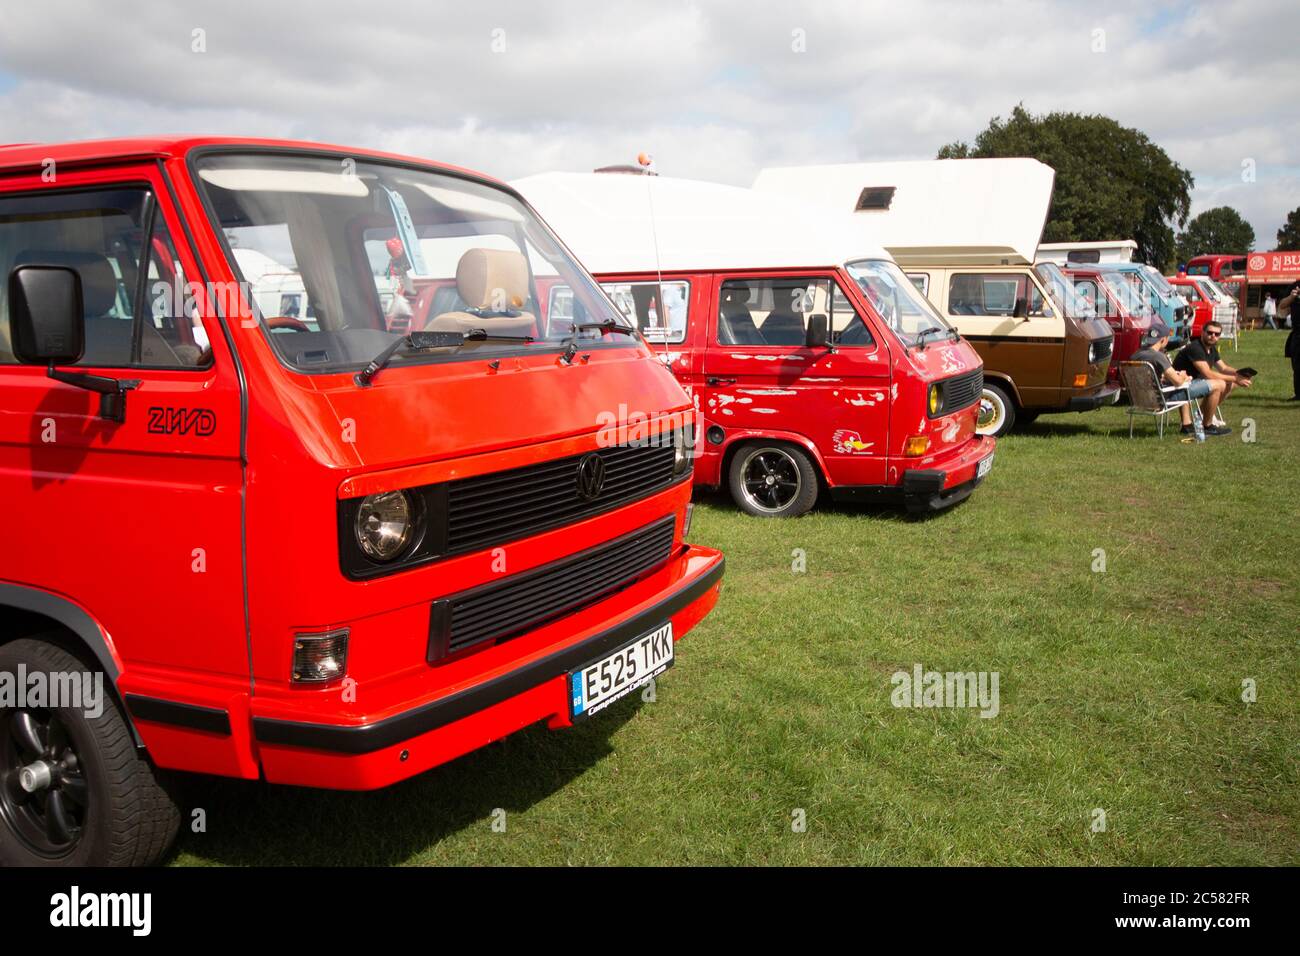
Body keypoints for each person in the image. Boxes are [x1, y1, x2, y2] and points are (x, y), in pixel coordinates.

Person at [1131, 321, 1228, 436]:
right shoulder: (1158, 357)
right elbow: (1177, 382)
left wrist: (1163, 379)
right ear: (1163, 339)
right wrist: (1183, 377)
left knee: (1182, 384)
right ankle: (1207, 425)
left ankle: (1187, 425)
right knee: (1219, 384)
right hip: (1161, 400)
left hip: (1139, 399)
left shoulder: (1136, 354)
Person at [1172, 320, 1252, 428]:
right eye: (1209, 333)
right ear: (1202, 332)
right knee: (1221, 384)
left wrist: (1240, 373)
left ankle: (1202, 414)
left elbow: (1223, 368)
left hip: (1194, 382)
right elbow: (1208, 374)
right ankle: (1205, 419)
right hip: (1181, 386)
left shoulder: (1211, 349)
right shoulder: (1195, 348)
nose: (1212, 336)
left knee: (1230, 384)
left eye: (1216, 334)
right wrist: (1235, 378)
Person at [1281, 283, 1300, 400]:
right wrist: (1291, 297)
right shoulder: (1295, 285)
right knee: (1297, 366)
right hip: (1297, 333)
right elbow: (1282, 305)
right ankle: (1298, 394)